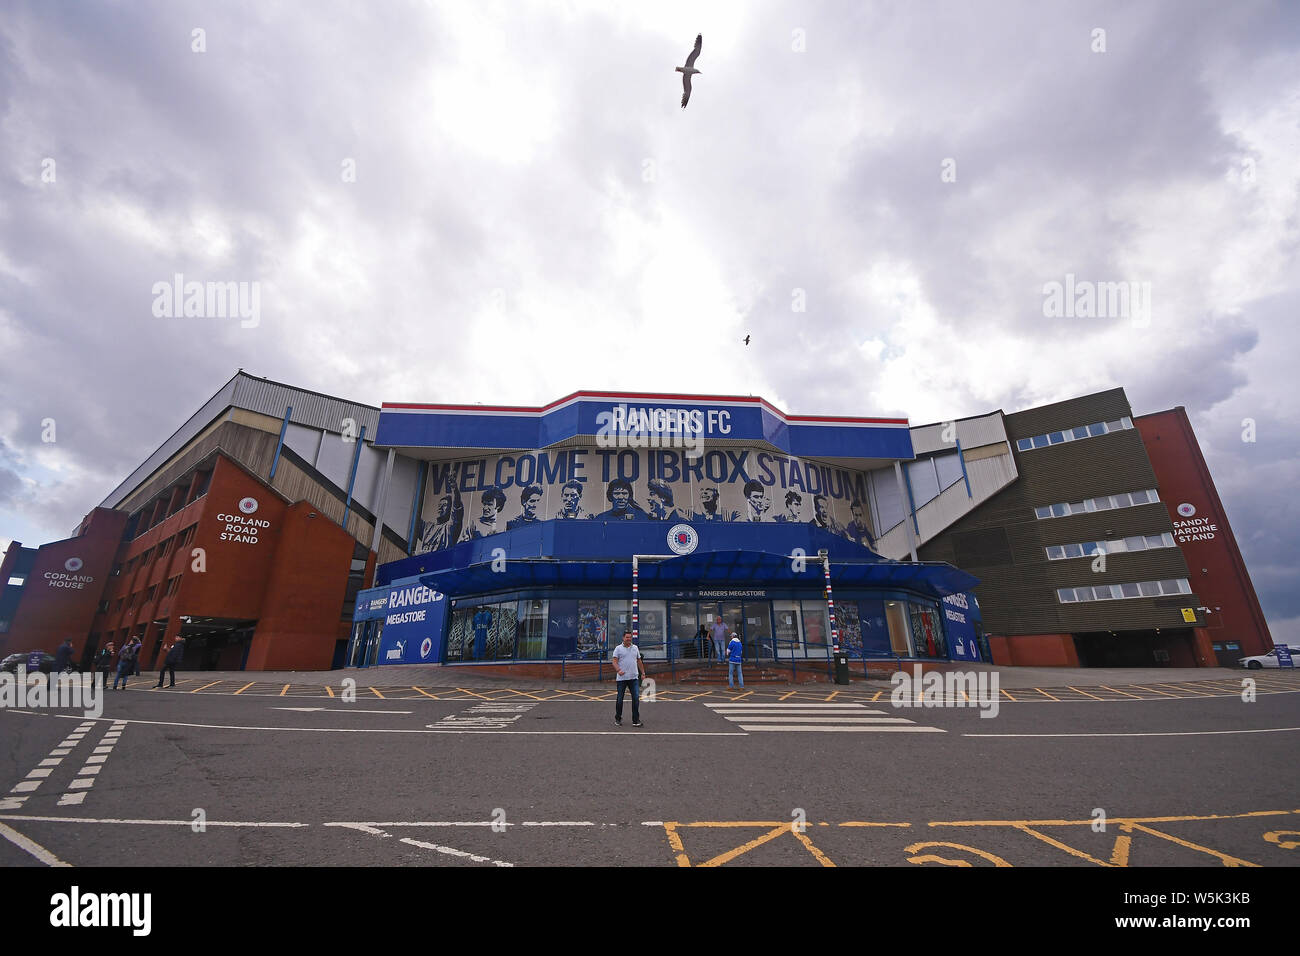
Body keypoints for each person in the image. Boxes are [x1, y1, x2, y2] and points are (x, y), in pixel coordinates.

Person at [418, 474, 463, 552]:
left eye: (444, 505)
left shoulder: (450, 528)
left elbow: (457, 508)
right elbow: (415, 519)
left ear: (450, 509)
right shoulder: (427, 527)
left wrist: (455, 489)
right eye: (439, 505)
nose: (440, 507)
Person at [611, 631, 644, 727]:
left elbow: (639, 661)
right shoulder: (618, 649)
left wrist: (643, 673)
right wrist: (618, 670)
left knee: (636, 699)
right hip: (622, 678)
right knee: (620, 699)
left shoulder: (635, 648)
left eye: (630, 637)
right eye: (627, 637)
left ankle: (635, 720)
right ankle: (618, 718)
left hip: (633, 678)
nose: (628, 639)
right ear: (623, 638)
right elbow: (614, 661)